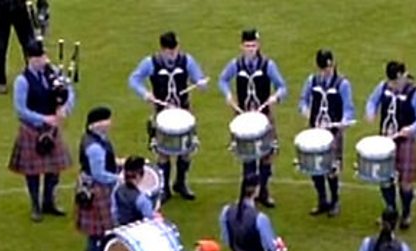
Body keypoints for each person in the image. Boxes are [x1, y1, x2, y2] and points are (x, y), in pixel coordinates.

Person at [128, 31, 207, 201]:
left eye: (174, 50)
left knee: (186, 150)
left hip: (184, 111)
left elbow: (199, 79)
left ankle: (181, 182)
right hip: (161, 113)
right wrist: (145, 93)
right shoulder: (151, 63)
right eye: (168, 51)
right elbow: (134, 80)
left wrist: (200, 83)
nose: (172, 55)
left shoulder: (186, 60)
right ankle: (164, 188)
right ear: (162, 49)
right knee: (162, 151)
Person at [218, 29, 287, 208]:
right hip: (243, 115)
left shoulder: (268, 65)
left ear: (259, 46)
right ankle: (246, 194)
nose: (250, 49)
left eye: (253, 46)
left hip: (264, 116)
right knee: (247, 157)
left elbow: (282, 86)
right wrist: (227, 95)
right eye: (247, 46)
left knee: (266, 155)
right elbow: (222, 80)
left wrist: (276, 97)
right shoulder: (236, 64)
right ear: (241, 46)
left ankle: (263, 191)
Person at [9, 40, 74, 222]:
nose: (44, 60)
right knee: (33, 172)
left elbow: (69, 91)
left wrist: (65, 109)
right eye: (39, 57)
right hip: (32, 129)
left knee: (54, 169)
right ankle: (35, 204)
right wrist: (44, 118)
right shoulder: (22, 81)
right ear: (30, 58)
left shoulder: (52, 73)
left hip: (52, 128)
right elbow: (20, 109)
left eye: (44, 56)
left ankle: (48, 201)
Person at [365, 61, 416, 228]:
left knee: (406, 181)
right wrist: (371, 112)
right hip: (386, 139)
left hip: (405, 140)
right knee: (384, 178)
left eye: (395, 82)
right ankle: (391, 210)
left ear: (402, 76)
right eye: (390, 82)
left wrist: (410, 129)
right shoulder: (384, 86)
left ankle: (406, 213)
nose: (392, 85)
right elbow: (372, 101)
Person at [298, 49, 353, 216]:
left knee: (332, 168)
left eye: (327, 69)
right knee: (314, 166)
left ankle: (335, 200)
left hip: (333, 132)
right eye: (322, 69)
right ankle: (322, 199)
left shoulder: (342, 84)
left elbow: (349, 108)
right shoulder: (312, 80)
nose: (325, 72)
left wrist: (344, 121)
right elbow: (303, 100)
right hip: (315, 131)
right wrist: (306, 111)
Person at [75, 106, 120, 251]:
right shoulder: (94, 147)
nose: (109, 123)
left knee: (97, 227)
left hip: (92, 183)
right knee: (100, 227)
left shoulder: (98, 138)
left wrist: (118, 163)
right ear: (96, 124)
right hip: (97, 187)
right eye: (105, 120)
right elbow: (99, 174)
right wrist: (119, 178)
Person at [0, 0, 44, 93]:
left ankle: (34, 74)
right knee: (0, 45)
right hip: (1, 8)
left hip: (19, 6)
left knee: (28, 44)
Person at [111, 156, 157, 227]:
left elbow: (113, 211)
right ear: (139, 176)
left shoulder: (117, 189)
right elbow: (150, 219)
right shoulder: (142, 199)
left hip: (122, 229)